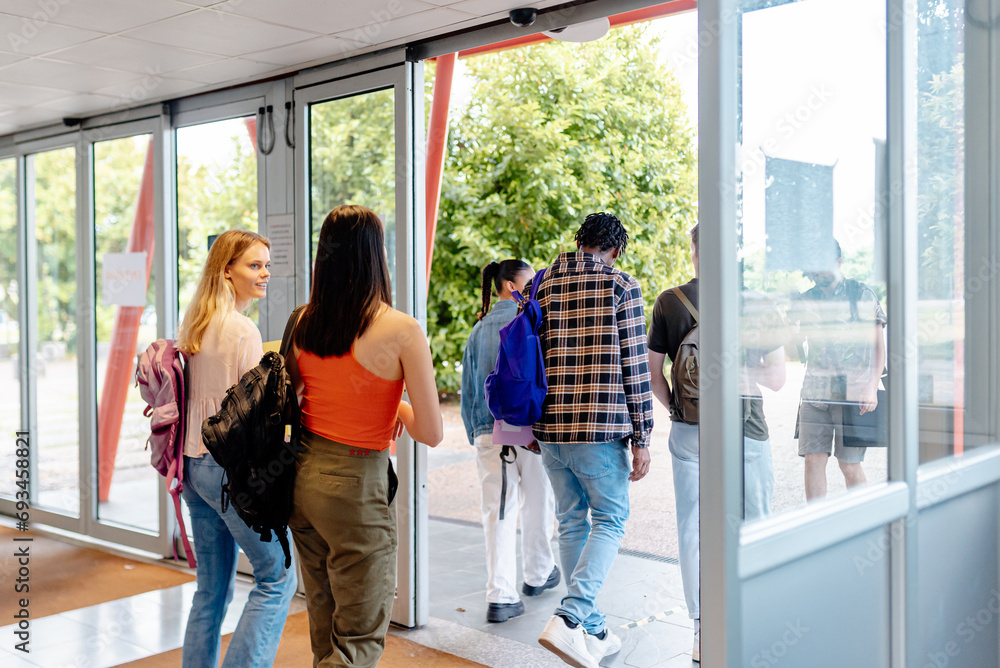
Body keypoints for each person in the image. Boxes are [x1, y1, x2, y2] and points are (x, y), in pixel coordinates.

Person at [287, 205, 443, 668]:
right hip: (355, 486)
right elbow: (431, 432)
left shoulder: (303, 320)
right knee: (357, 640)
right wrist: (395, 404)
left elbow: (297, 397)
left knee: (324, 623)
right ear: (376, 256)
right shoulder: (401, 329)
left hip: (302, 479)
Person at [647, 223, 787, 662]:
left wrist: (679, 410)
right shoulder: (757, 302)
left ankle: (701, 630)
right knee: (756, 520)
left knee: (693, 528)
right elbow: (779, 379)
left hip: (691, 431)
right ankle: (756, 612)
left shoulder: (671, 301)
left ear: (693, 252)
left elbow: (653, 375)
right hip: (746, 428)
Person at [531, 212, 653, 668]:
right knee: (610, 519)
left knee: (571, 522)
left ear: (579, 241)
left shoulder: (542, 284)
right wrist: (642, 435)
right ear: (615, 249)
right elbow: (635, 365)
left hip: (550, 430)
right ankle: (571, 617)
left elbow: (533, 357)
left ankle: (594, 629)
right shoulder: (621, 286)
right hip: (599, 429)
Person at [175, 229, 296, 668]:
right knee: (277, 577)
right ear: (227, 270)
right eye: (253, 265)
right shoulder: (242, 329)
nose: (264, 273)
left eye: (266, 264)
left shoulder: (195, 323)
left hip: (191, 467)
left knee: (211, 589)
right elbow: (254, 417)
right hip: (227, 472)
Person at [460, 260, 560, 624]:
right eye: (527, 282)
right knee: (539, 500)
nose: (533, 288)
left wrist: (478, 433)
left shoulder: (478, 330)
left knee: (498, 511)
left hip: (491, 433)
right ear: (506, 285)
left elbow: (469, 389)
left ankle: (501, 594)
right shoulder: (532, 319)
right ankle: (537, 574)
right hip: (531, 431)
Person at [791, 239, 886, 500]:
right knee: (813, 460)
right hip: (814, 392)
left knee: (849, 464)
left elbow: (879, 348)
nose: (816, 273)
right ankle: (818, 525)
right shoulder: (806, 299)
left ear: (839, 263)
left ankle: (861, 521)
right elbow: (794, 349)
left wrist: (872, 386)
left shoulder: (861, 294)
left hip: (853, 393)